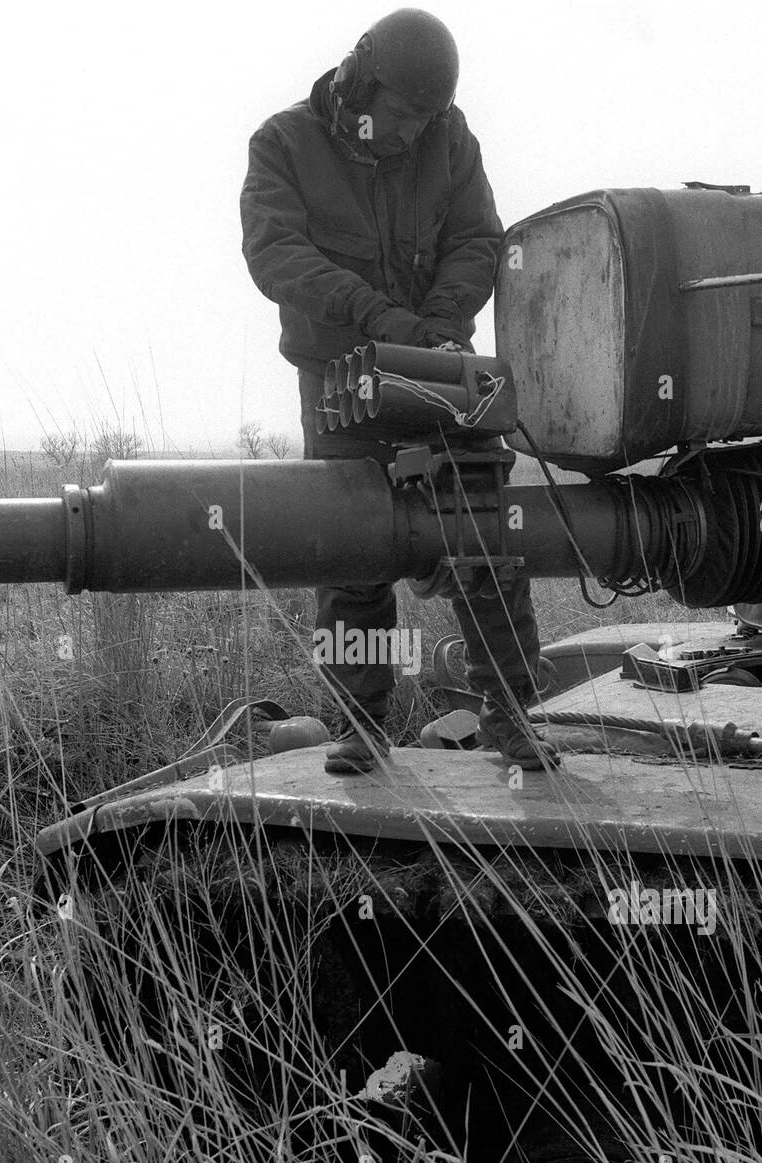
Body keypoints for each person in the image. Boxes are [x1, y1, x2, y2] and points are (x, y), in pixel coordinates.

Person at [240, 7, 559, 775]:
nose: (414, 133)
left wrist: (442, 324)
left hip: (440, 365)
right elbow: (274, 253)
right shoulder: (283, 144)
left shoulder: (451, 139)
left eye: (427, 118)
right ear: (358, 82)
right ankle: (360, 724)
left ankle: (512, 716)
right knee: (351, 546)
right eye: (405, 114)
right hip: (336, 377)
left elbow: (477, 237)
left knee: (484, 529)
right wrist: (376, 317)